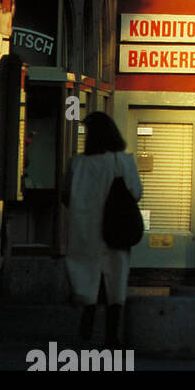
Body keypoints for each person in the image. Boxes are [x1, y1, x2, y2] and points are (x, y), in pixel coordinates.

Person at [62, 111, 142, 347]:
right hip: (115, 229)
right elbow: (135, 193)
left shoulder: (77, 163)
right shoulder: (123, 161)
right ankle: (111, 335)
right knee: (115, 282)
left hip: (84, 231)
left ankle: (86, 326)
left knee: (88, 279)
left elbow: (66, 196)